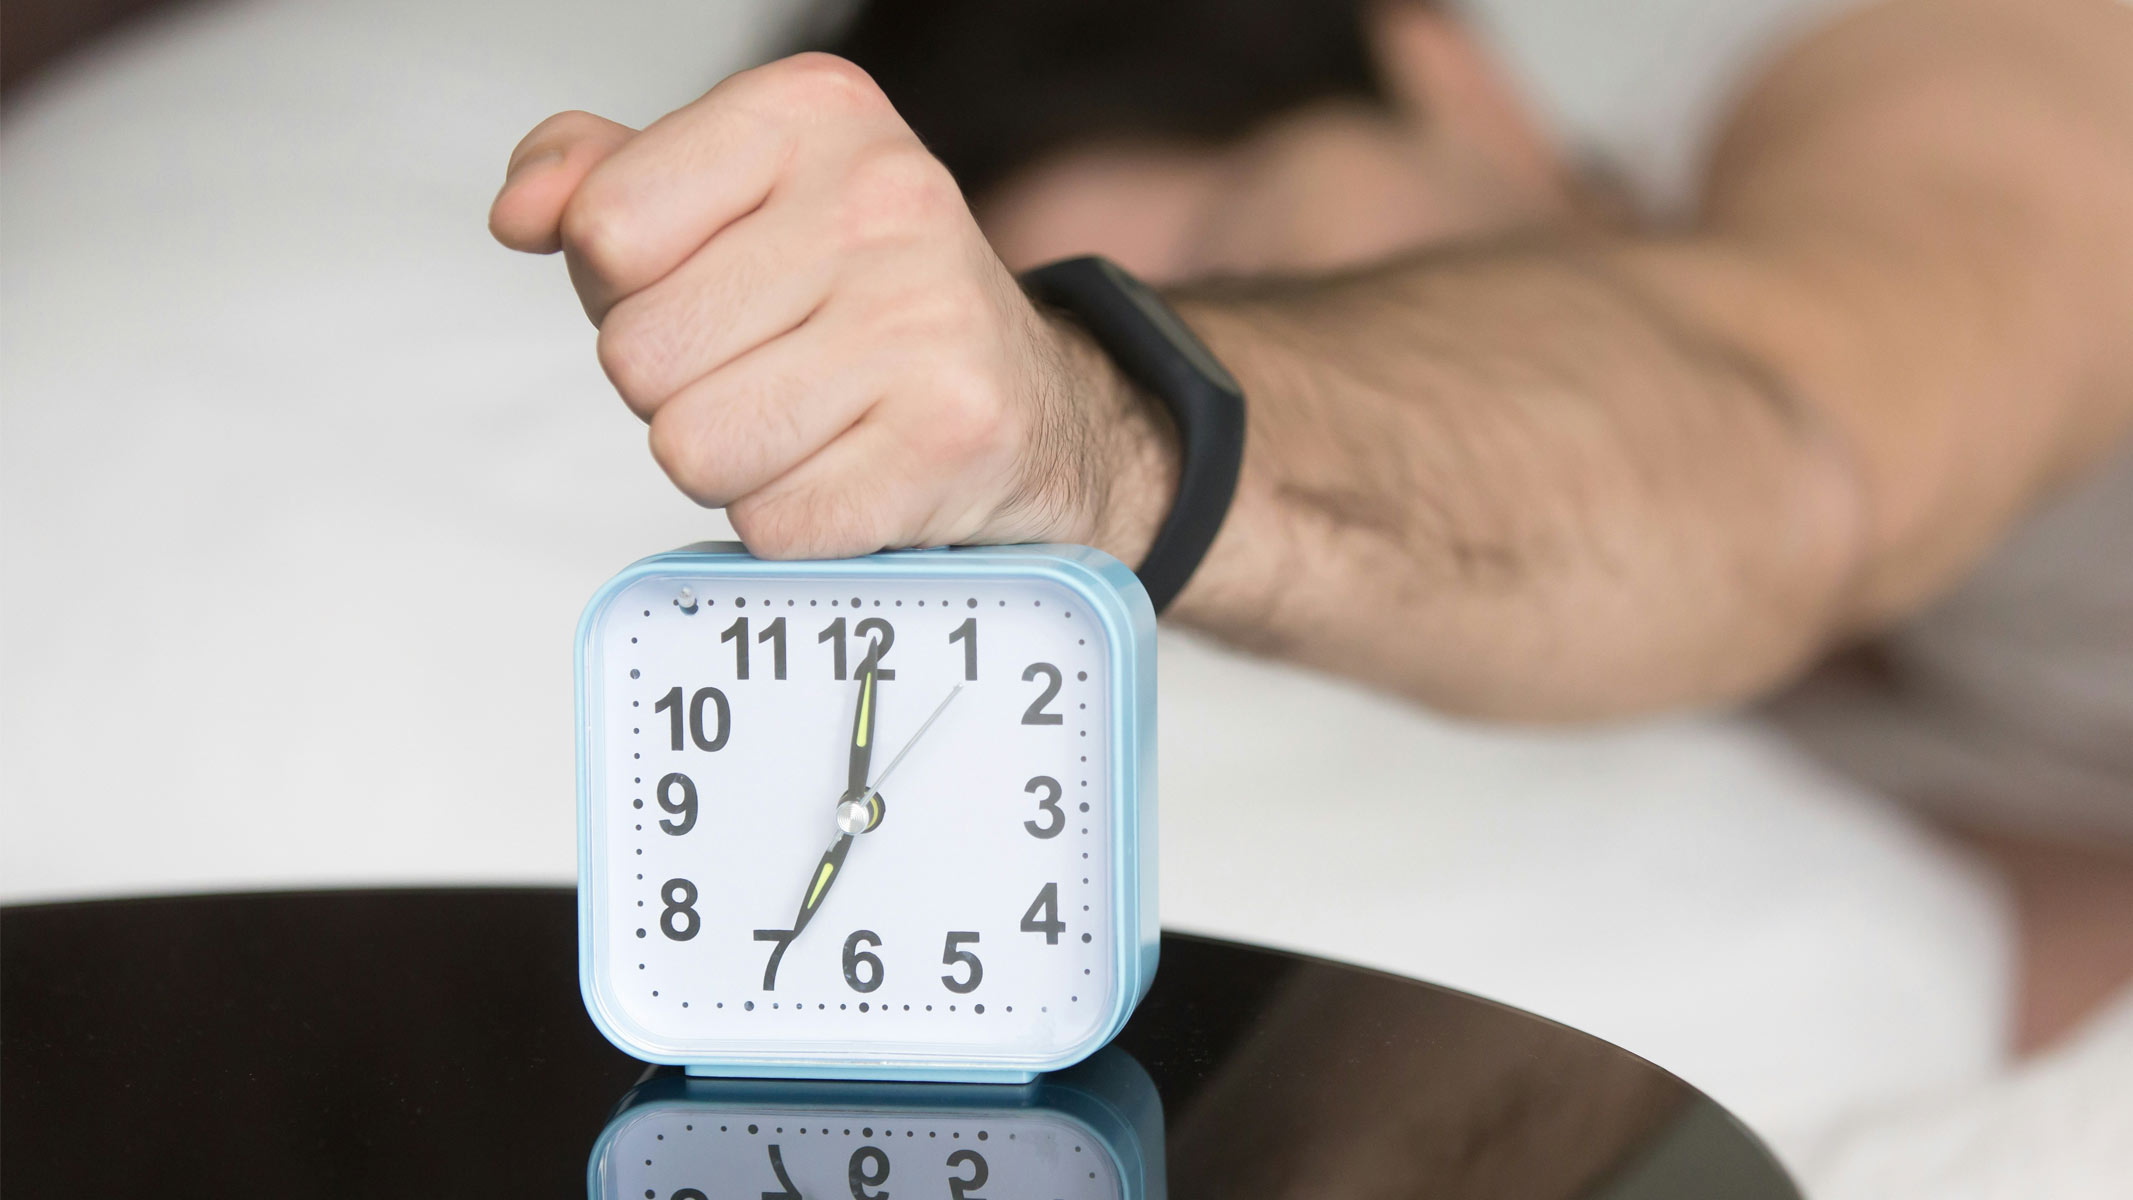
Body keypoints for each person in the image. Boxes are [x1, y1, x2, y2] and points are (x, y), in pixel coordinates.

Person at [488, 0, 2133, 1043]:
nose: (1288, 370)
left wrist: (1112, 422)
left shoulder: (1942, 84)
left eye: (1267, 275)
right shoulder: (1706, 736)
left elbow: (1784, 438)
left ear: (1446, 75)